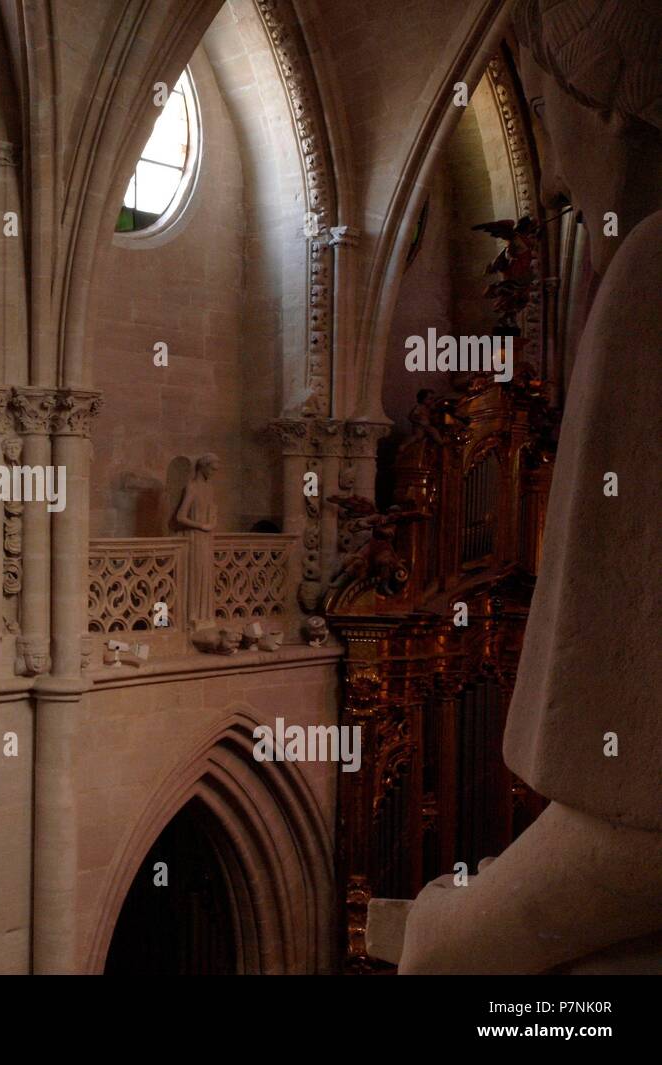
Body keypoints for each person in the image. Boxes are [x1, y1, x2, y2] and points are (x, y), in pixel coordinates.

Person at [397, 0, 662, 974]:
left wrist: (462, 929)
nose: (550, 172)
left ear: (621, 115)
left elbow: (638, 829)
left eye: (550, 119)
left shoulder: (653, 276)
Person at [174, 453, 221, 630]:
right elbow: (180, 517)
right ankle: (194, 616)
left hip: (207, 539)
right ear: (203, 466)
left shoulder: (210, 488)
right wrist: (202, 525)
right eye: (211, 469)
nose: (213, 473)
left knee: (206, 576)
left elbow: (213, 511)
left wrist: (213, 521)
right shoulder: (192, 487)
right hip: (195, 537)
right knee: (196, 576)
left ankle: (205, 615)